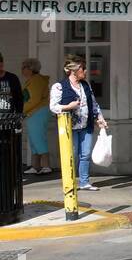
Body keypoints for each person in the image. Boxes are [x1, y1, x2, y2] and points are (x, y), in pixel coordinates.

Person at [49, 55, 108, 191]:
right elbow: (53, 107)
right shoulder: (59, 87)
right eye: (83, 68)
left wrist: (100, 118)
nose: (86, 71)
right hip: (70, 127)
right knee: (72, 154)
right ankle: (70, 183)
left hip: (86, 125)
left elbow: (93, 104)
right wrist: (68, 106)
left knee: (85, 154)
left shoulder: (85, 85)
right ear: (74, 70)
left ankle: (84, 182)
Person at [20, 58, 52, 175]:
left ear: (31, 68)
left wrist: (21, 110)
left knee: (38, 138)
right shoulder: (32, 80)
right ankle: (35, 166)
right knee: (34, 139)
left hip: (37, 112)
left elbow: (34, 99)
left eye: (24, 67)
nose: (22, 70)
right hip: (33, 112)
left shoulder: (36, 81)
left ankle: (46, 166)